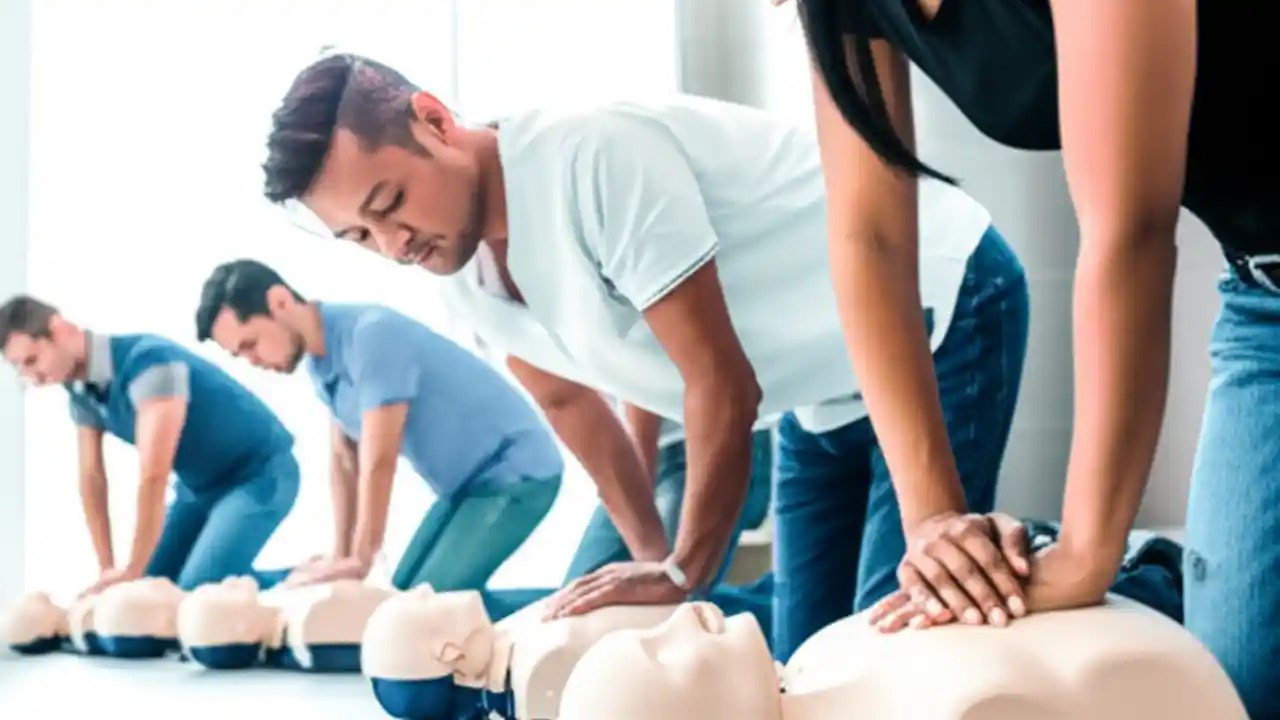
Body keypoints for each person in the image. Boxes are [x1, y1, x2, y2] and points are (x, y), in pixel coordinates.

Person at [256, 53, 1030, 661]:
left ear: (433, 120)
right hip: (820, 386)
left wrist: (683, 572)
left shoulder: (591, 156)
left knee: (886, 646)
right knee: (806, 658)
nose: (393, 247)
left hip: (939, 298)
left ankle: (1102, 567)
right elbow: (571, 406)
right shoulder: (458, 275)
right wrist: (650, 559)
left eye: (389, 205)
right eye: (360, 237)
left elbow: (722, 385)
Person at [784, 1, 1280, 714]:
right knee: (1238, 691)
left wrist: (1087, 550)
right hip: (1265, 293)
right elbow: (872, 240)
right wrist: (934, 524)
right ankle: (1162, 580)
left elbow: (1128, 229)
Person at [194, 259, 564, 592]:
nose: (251, 360)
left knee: (419, 612)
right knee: (401, 600)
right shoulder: (320, 365)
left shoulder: (369, 335)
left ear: (279, 302)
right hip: (465, 489)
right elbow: (345, 459)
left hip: (516, 469)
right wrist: (340, 555)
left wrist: (361, 556)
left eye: (250, 344)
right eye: (240, 354)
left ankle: (573, 620)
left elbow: (379, 456)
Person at [0, 295, 299, 594]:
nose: (34, 378)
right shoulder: (79, 391)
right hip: (199, 488)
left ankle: (309, 582)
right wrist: (109, 571)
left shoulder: (148, 363)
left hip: (259, 474)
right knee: (148, 595)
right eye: (21, 369)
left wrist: (133, 570)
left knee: (194, 590)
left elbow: (154, 474)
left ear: (59, 330)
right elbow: (91, 477)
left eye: (32, 361)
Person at [564, 400, 774, 586]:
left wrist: (655, 560)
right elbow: (562, 401)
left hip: (702, 442)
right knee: (574, 600)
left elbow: (640, 397)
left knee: (666, 596)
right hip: (634, 453)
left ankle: (770, 613)